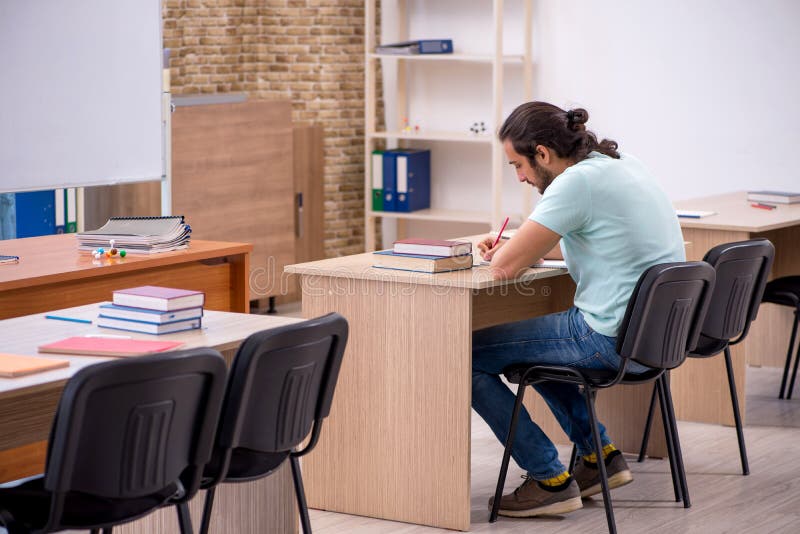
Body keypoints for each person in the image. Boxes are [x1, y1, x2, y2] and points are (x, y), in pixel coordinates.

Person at [474, 101, 685, 518]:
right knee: (532, 352)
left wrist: (510, 252)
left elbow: (503, 268)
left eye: (518, 165)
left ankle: (548, 479)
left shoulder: (574, 183)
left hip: (606, 338)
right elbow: (583, 237)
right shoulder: (622, 164)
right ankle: (598, 457)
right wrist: (522, 247)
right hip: (654, 339)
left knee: (467, 354)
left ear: (542, 153)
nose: (519, 177)